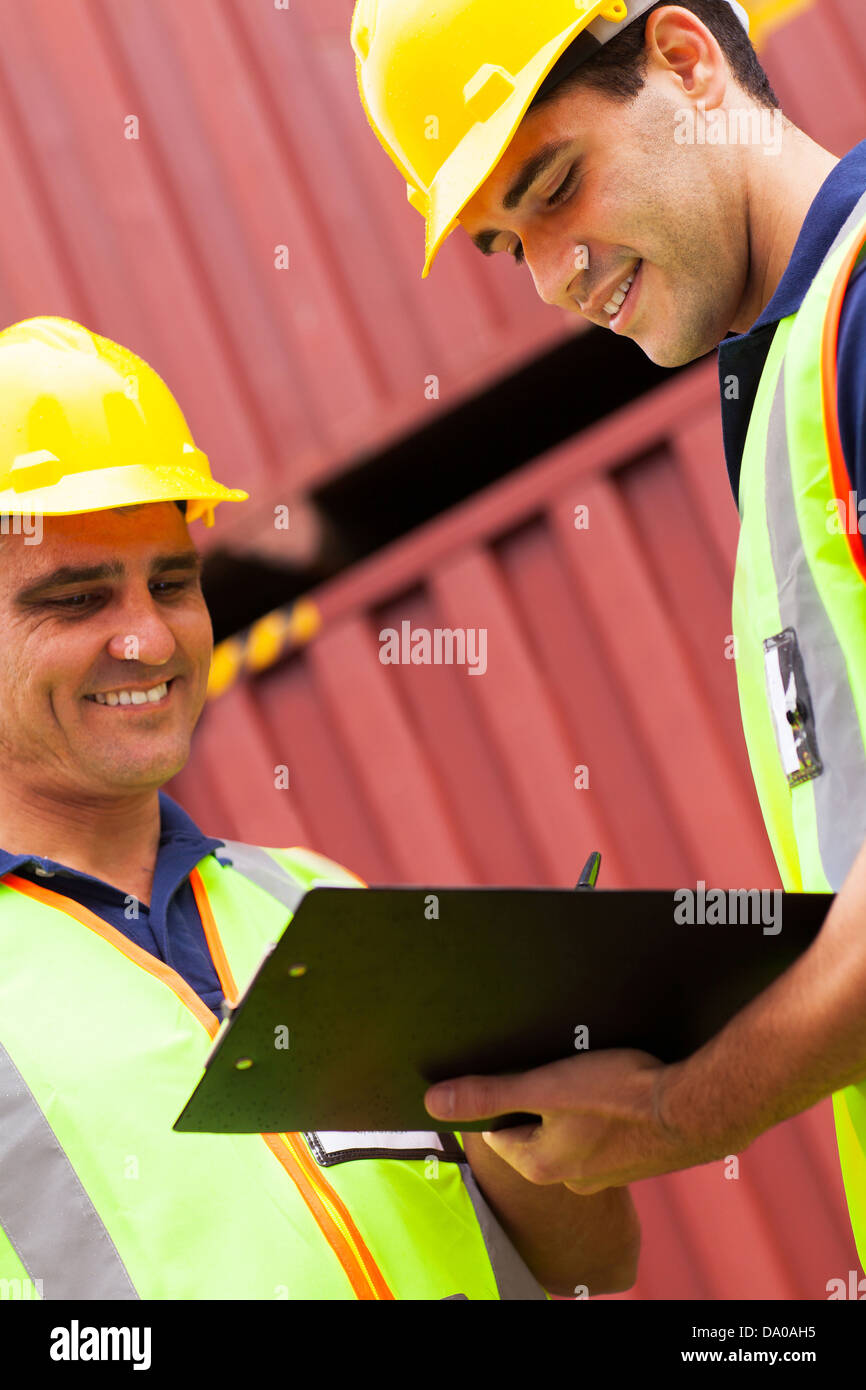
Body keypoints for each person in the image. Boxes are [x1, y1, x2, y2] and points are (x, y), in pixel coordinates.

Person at [352, 0, 866, 1272]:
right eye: (501, 244)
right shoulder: (785, 389)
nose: (551, 278)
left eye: (556, 186)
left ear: (685, 60)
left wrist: (668, 1109)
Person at [0, 315, 640, 1300]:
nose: (149, 640)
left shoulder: (317, 903)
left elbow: (593, 1265)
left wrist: (542, 1111)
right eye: (77, 601)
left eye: (172, 583)